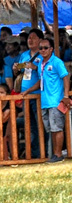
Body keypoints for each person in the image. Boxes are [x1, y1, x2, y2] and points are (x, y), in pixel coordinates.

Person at [37, 37, 70, 162]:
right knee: (51, 129)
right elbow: (39, 78)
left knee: (57, 128)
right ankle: (55, 154)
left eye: (46, 48)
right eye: (40, 48)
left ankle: (58, 154)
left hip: (56, 100)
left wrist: (65, 96)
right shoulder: (41, 63)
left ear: (51, 49)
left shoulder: (56, 62)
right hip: (45, 101)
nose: (43, 50)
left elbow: (65, 77)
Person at [13, 28, 43, 158]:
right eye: (29, 38)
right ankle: (35, 154)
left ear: (40, 40)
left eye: (33, 37)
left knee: (40, 125)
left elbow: (44, 73)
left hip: (38, 96)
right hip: (25, 96)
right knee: (30, 126)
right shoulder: (24, 55)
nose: (30, 40)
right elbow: (19, 72)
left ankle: (44, 152)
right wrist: (15, 68)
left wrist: (34, 67)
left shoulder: (43, 55)